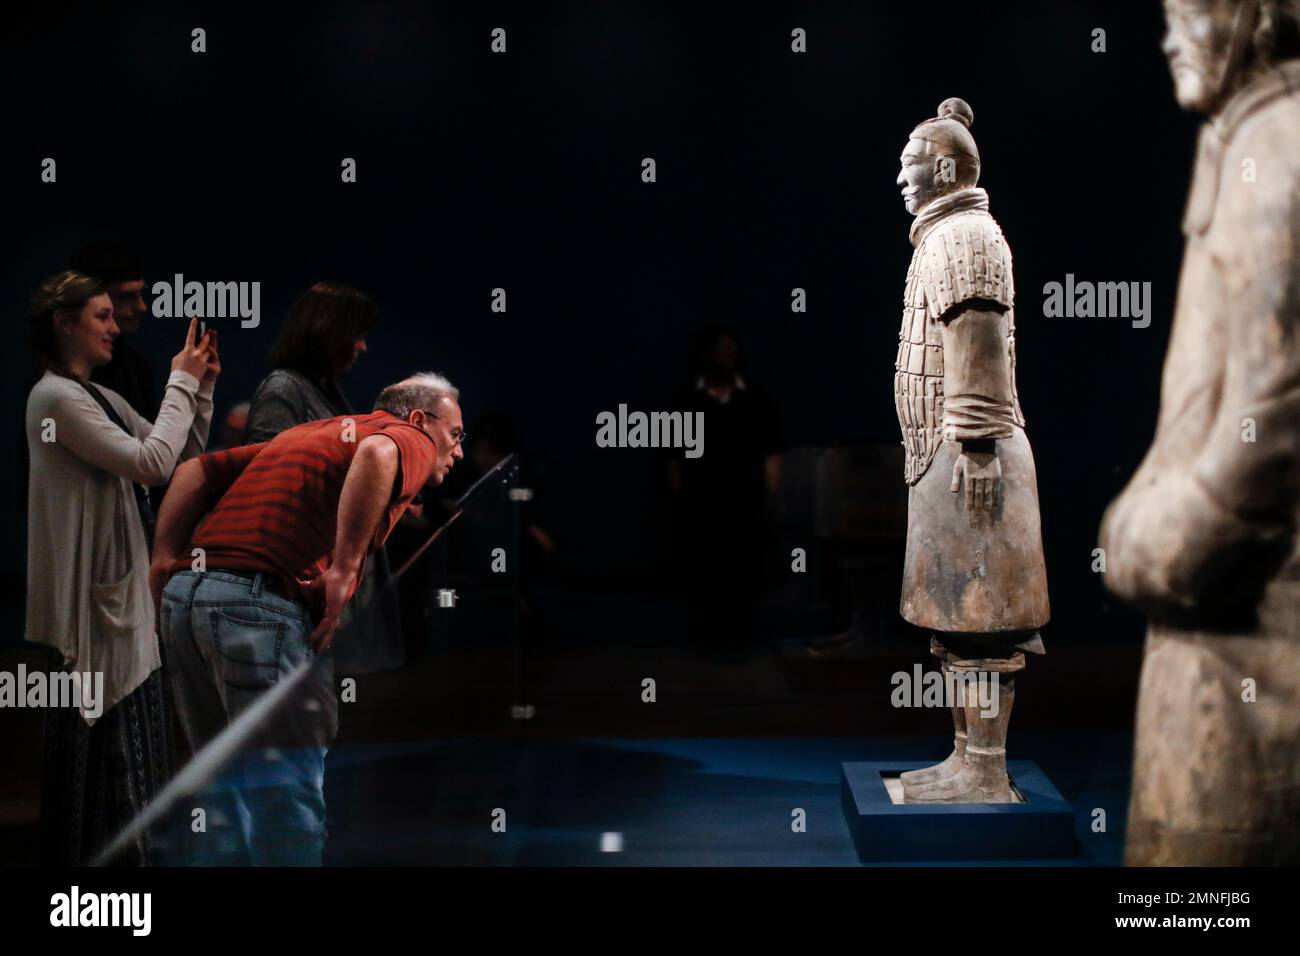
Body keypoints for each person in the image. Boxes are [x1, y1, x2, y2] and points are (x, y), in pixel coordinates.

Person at [1100, 0, 1300, 865]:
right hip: (1220, 631)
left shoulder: (1278, 144)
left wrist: (1154, 537)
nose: (1171, 33)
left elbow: (1276, 408)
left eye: (1193, 9)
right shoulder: (1248, 137)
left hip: (1244, 630)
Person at [150, 372, 465, 865]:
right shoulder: (408, 437)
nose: (458, 450)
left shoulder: (307, 434)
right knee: (284, 799)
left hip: (187, 599)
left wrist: (160, 560)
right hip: (256, 605)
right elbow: (379, 456)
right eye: (455, 434)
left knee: (218, 794)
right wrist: (342, 570)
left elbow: (195, 470)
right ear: (421, 419)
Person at [25, 271, 219, 865]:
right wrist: (179, 382)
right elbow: (152, 463)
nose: (116, 327)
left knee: (133, 786)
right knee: (94, 795)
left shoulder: (98, 397)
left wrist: (199, 390)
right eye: (102, 316)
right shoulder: (54, 399)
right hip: (89, 624)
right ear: (64, 322)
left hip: (123, 615)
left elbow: (184, 455)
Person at [889, 98, 1050, 804]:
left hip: (971, 458)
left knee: (982, 620)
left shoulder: (966, 240)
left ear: (947, 168)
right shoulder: (946, 235)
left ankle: (985, 767)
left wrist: (979, 446)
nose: (900, 179)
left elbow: (978, 347)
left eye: (911, 165)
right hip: (947, 454)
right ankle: (966, 759)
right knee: (958, 620)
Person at [245, 282, 402, 674]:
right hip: (306, 588)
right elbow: (272, 488)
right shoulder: (284, 389)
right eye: (356, 335)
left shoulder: (325, 389)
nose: (362, 347)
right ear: (326, 331)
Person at [68, 241, 157, 422]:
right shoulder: (54, 384)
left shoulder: (137, 368)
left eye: (141, 294)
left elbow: (157, 446)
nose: (142, 307)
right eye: (125, 297)